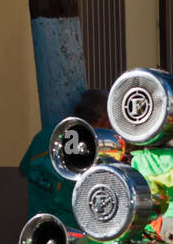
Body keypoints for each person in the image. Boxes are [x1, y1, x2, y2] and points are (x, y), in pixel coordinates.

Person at [19, 88, 109, 228]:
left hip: (35, 226)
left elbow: (23, 170)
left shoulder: (42, 136)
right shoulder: (93, 148)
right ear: (105, 122)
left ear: (74, 110)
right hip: (71, 230)